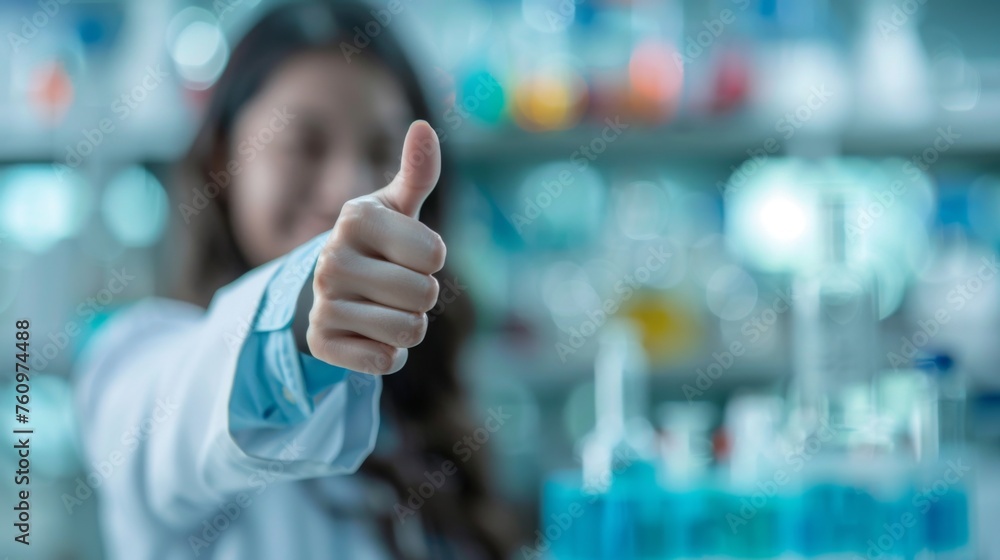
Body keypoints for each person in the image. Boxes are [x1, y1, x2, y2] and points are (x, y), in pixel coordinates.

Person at [73, 2, 518, 558]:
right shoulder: (139, 364)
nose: (349, 192)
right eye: (304, 146)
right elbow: (165, 425)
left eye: (382, 152)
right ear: (221, 161)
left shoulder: (425, 403)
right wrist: (300, 307)